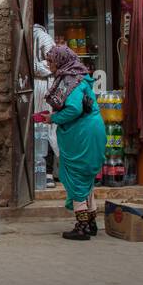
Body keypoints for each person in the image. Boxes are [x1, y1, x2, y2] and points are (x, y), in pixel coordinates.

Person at [35, 44, 106, 241]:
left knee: (75, 176)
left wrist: (53, 118)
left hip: (82, 134)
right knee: (86, 179)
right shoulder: (79, 78)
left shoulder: (70, 81)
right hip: (90, 130)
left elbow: (74, 109)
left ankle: (81, 226)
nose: (48, 65)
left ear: (61, 61)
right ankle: (91, 221)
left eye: (51, 61)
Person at [31, 23, 59, 187]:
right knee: (37, 127)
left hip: (43, 87)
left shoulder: (42, 37)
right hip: (35, 87)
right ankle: (38, 170)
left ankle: (48, 171)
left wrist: (31, 67)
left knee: (45, 127)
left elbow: (53, 62)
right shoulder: (30, 36)